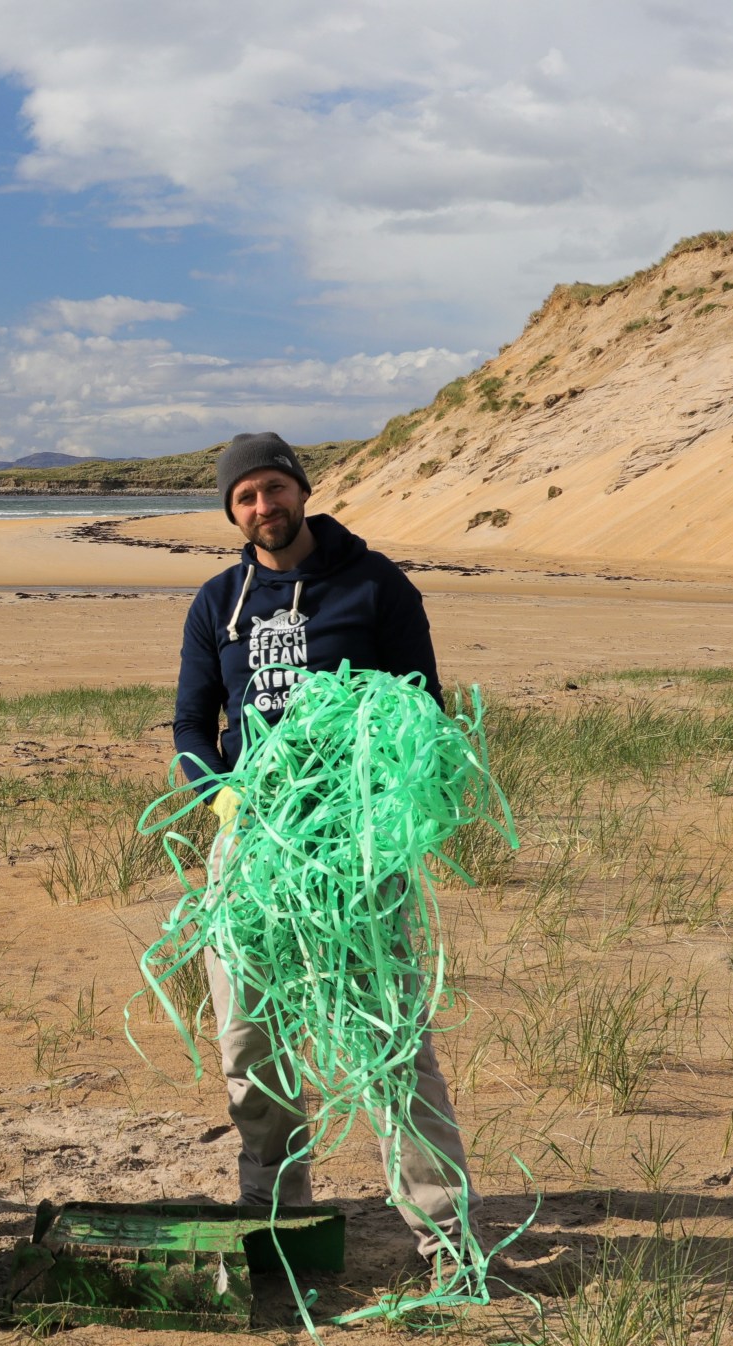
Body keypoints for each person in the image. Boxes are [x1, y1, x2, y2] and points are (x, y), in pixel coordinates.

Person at [172, 431, 474, 1259]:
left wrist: (380, 815)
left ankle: (442, 1225)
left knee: (388, 1036)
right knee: (249, 1035)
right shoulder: (217, 603)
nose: (262, 506)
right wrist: (225, 796)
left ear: (301, 491)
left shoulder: (376, 587)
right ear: (232, 512)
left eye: (273, 488)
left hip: (355, 852)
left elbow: (426, 711)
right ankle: (273, 1203)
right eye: (245, 497)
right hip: (253, 845)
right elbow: (193, 724)